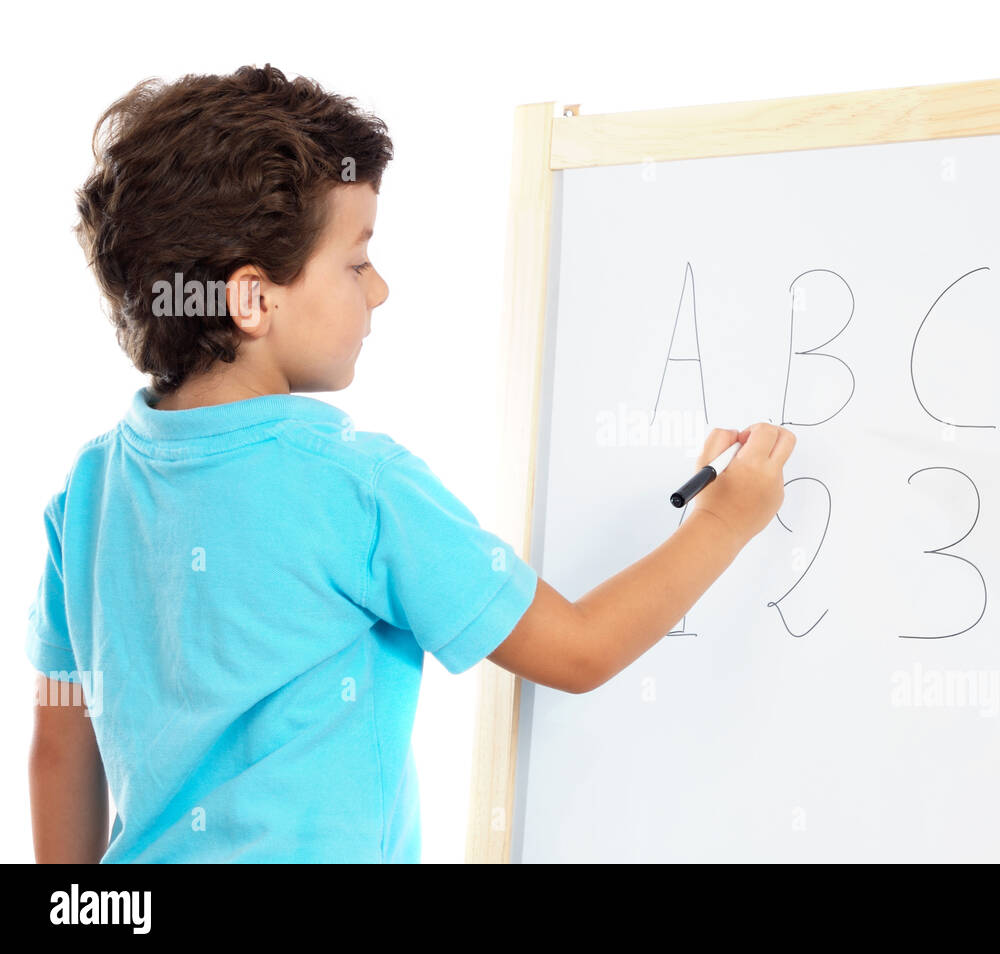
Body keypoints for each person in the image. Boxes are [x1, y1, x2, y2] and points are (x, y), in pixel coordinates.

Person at [26, 64, 795, 863]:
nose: (381, 288)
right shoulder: (355, 485)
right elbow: (578, 650)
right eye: (356, 263)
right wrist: (725, 518)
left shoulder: (86, 495)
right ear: (251, 300)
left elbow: (60, 744)